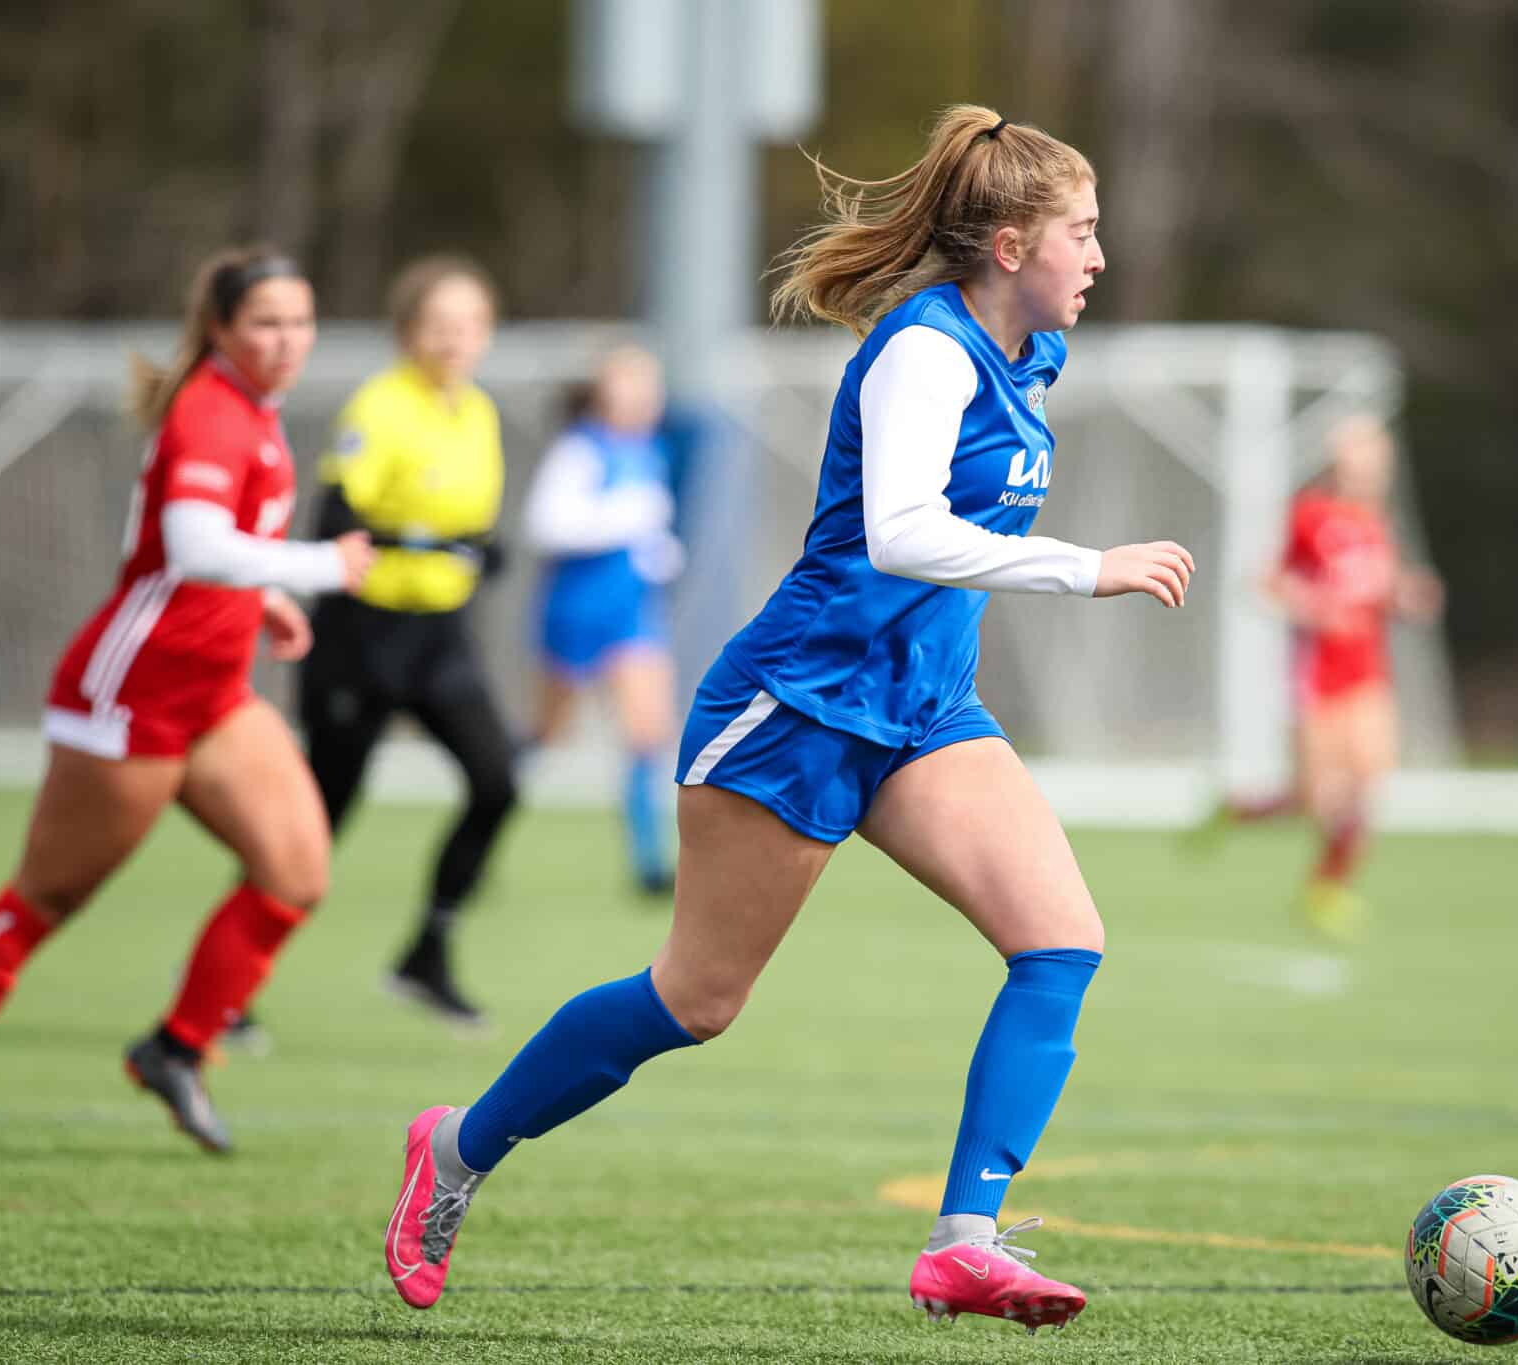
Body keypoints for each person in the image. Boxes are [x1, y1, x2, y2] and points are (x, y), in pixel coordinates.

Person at [380, 106, 1194, 1334]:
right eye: (1081, 233)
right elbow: (900, 533)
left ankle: (963, 1242)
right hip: (799, 706)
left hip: (922, 710)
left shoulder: (1031, 351)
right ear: (1012, 244)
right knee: (693, 1002)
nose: (1096, 257)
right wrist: (1089, 566)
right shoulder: (927, 349)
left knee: (1059, 941)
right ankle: (454, 1151)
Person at [0, 247, 373, 1158]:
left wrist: (266, 602)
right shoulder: (214, 411)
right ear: (219, 330)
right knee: (47, 899)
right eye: (266, 322)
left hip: (213, 695)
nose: (288, 339)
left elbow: (215, 551)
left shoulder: (253, 408)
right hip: (129, 695)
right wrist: (318, 568)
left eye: (300, 320)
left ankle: (175, 1047)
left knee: (295, 874)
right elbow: (191, 543)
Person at [298, 256, 518, 1028]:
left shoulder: (478, 412)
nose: (455, 338)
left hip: (440, 639)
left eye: (470, 324)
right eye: (439, 324)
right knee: (314, 819)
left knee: (497, 782)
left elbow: (473, 527)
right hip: (363, 635)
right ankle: (225, 992)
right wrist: (421, 544)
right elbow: (334, 518)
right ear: (408, 332)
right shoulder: (381, 407)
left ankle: (427, 953)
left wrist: (485, 550)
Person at [1265, 414, 1442, 938]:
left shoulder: (1375, 523)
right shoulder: (1309, 517)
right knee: (1318, 800)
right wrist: (1314, 606)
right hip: (1318, 676)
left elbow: (1379, 592)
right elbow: (1270, 583)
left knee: (1369, 785)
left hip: (1368, 674)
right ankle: (1239, 808)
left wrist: (1409, 597)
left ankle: (1327, 887)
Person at [523, 347, 685, 896]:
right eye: (629, 384)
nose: (642, 397)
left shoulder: (651, 451)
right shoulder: (580, 451)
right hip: (576, 611)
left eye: (649, 385)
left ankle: (650, 862)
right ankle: (488, 813)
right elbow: (546, 526)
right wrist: (621, 518)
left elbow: (645, 530)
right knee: (549, 731)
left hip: (632, 614)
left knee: (649, 732)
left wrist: (656, 549)